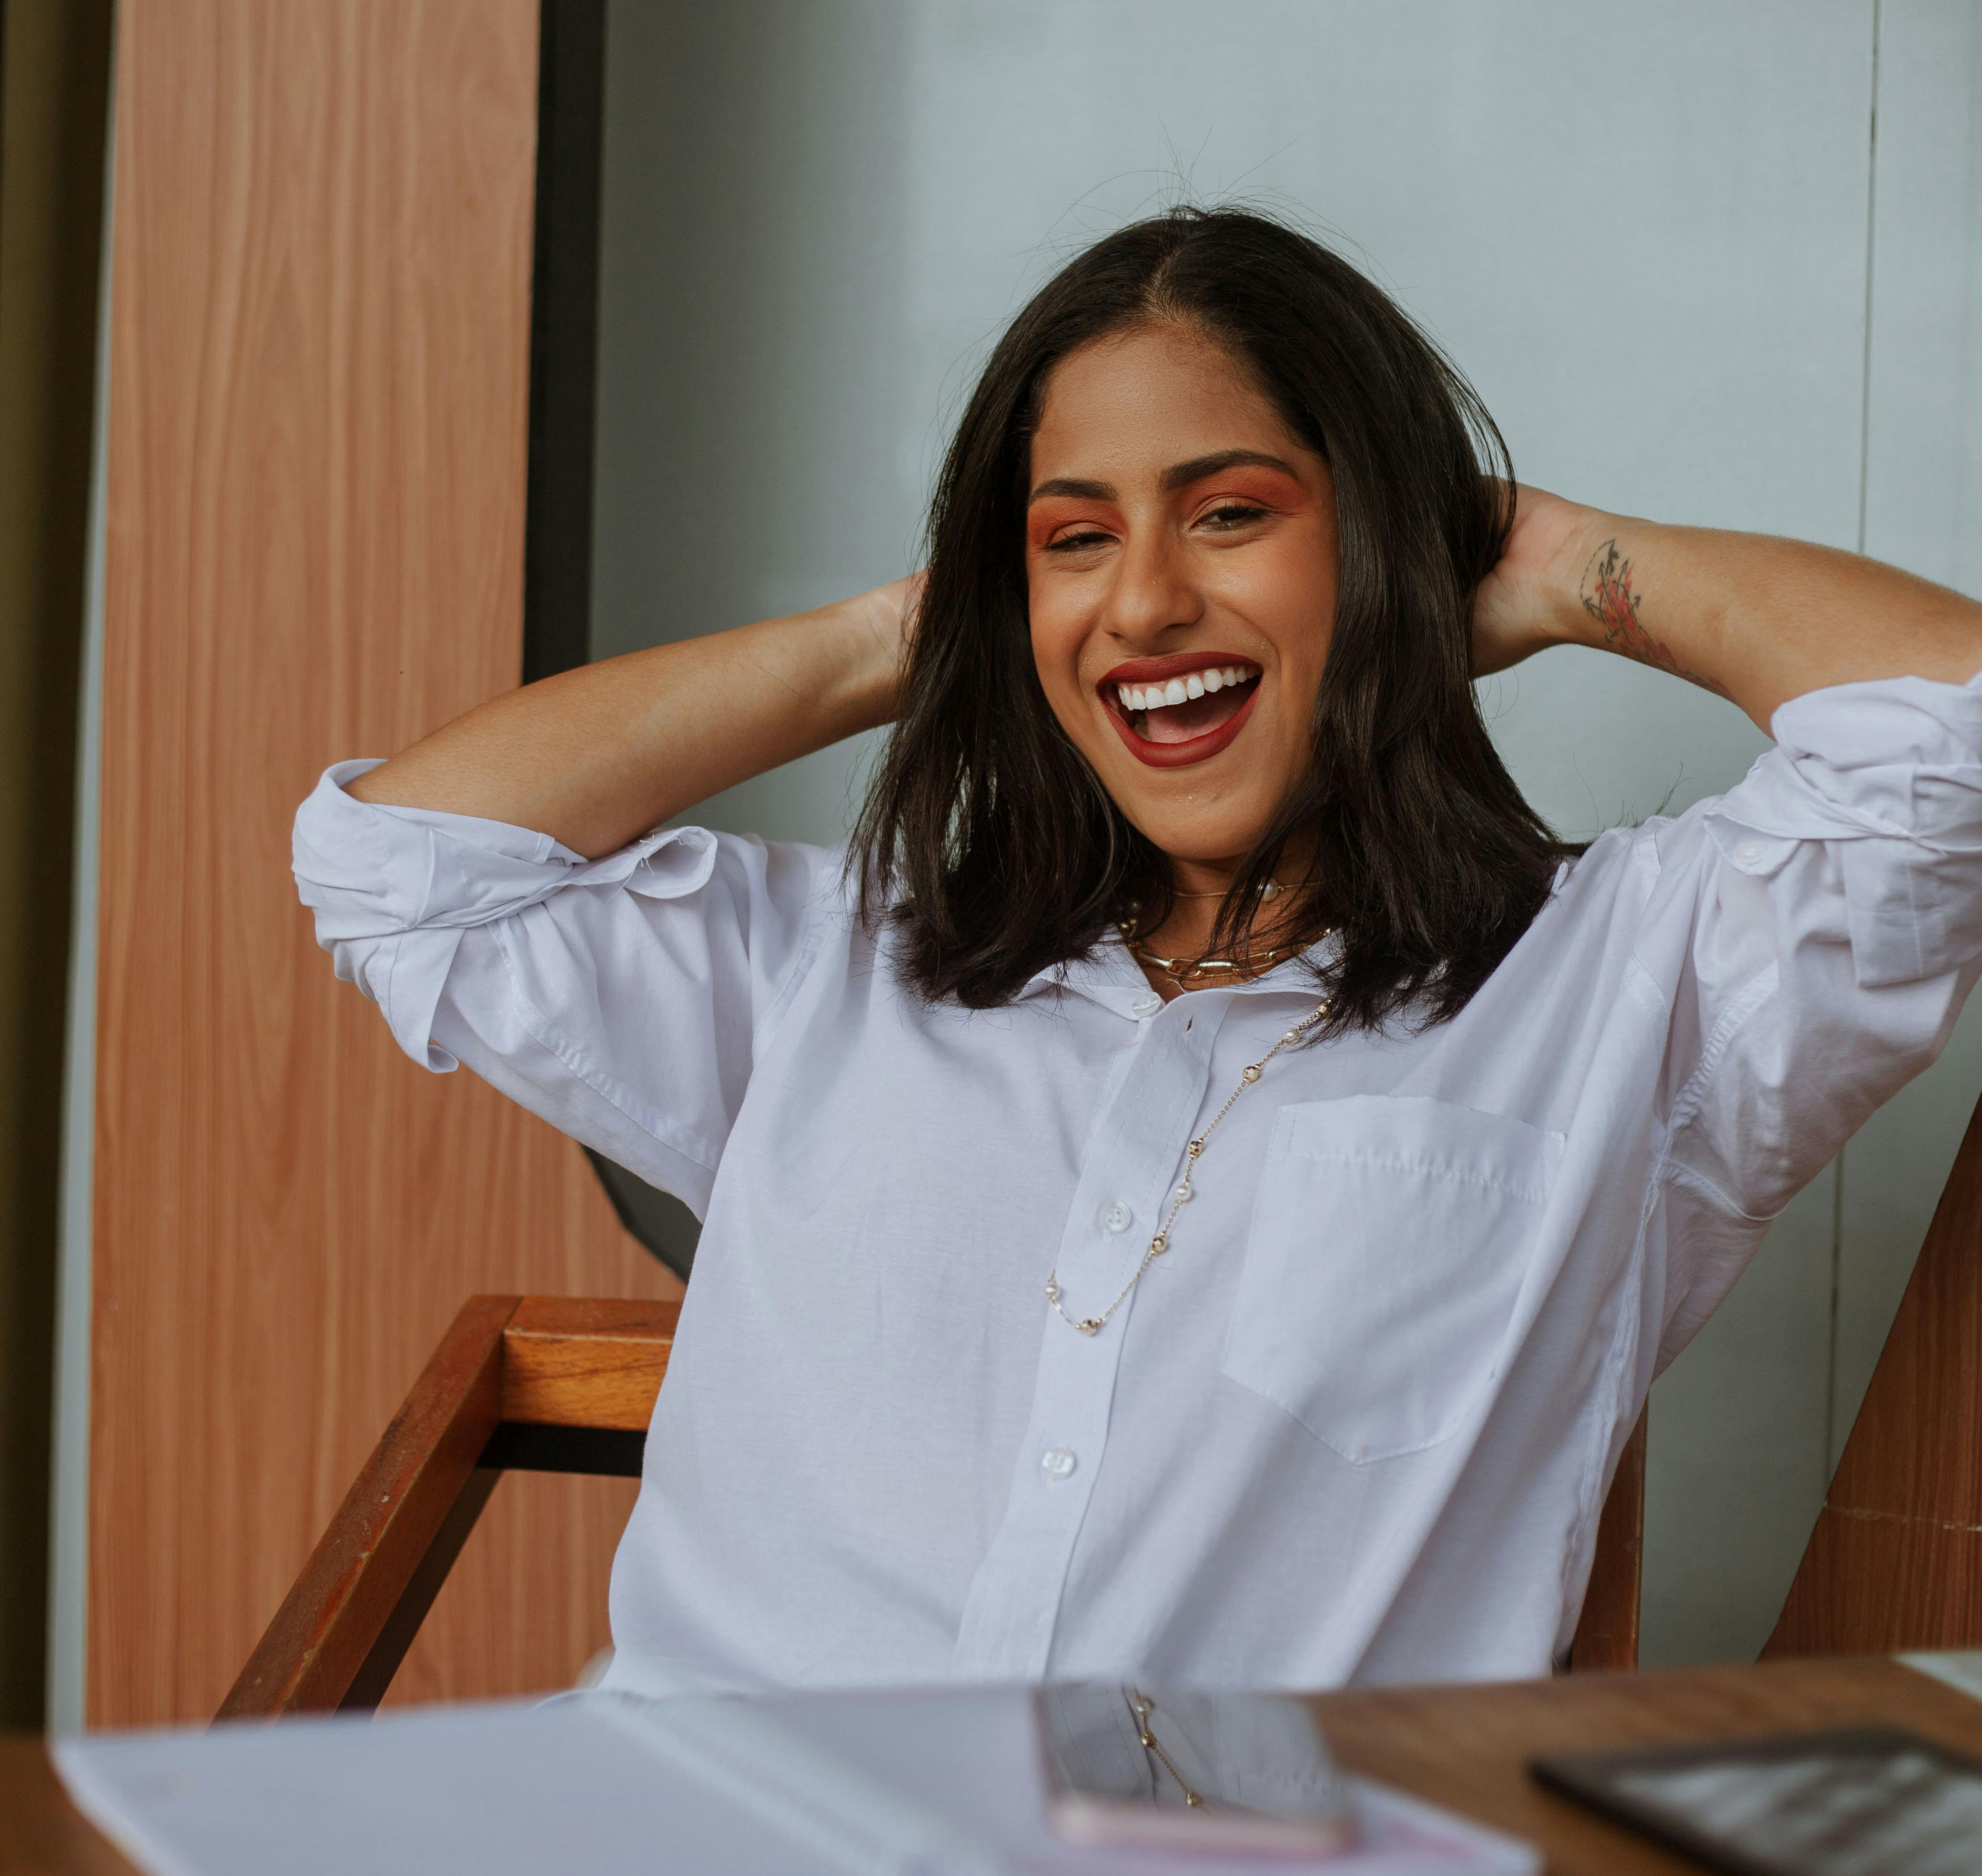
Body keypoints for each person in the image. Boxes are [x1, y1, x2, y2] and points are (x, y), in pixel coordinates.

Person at [296, 209, 1982, 1693]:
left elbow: (1954, 748)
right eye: (1076, 536)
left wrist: (1543, 559)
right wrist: (928, 628)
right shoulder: (831, 967)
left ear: (1385, 549)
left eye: (1231, 514)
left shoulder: (1625, 987)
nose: (1146, 603)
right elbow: (401, 868)